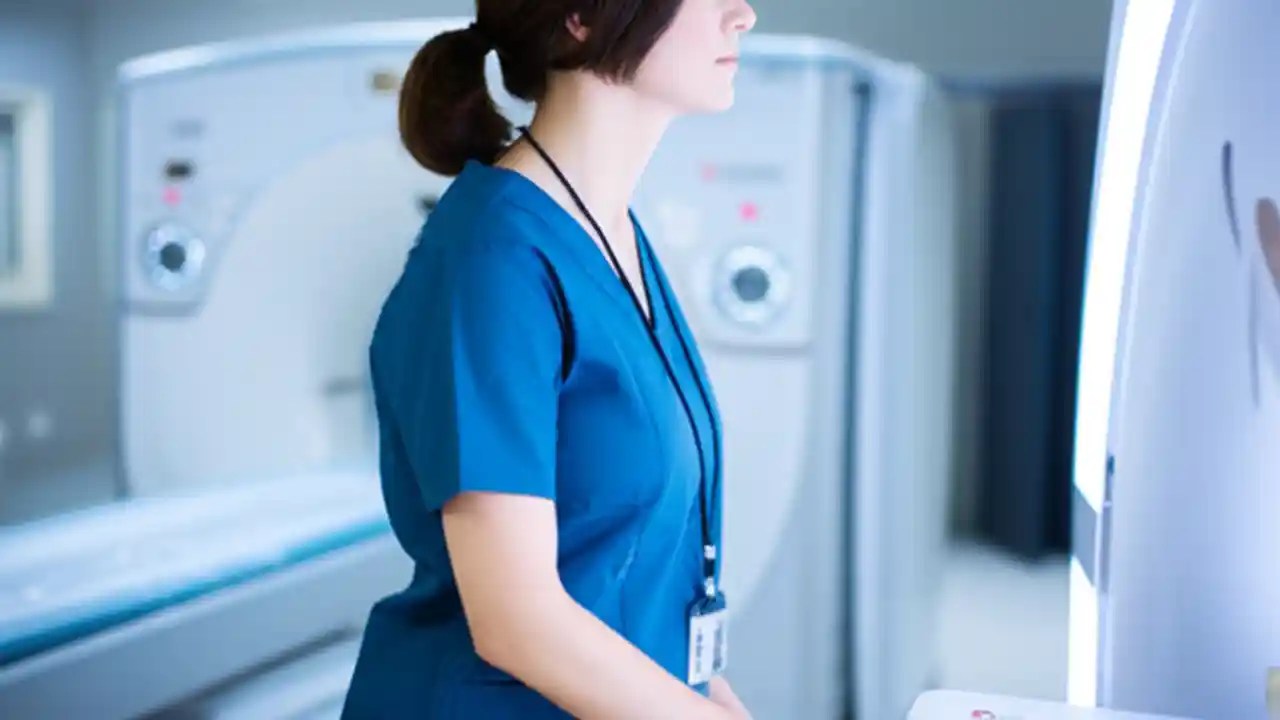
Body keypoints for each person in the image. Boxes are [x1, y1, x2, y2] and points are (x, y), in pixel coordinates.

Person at [342, 1, 757, 717]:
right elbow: (519, 622)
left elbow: (641, 572)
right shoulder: (493, 260)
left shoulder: (612, 233)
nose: (743, 13)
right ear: (581, 17)